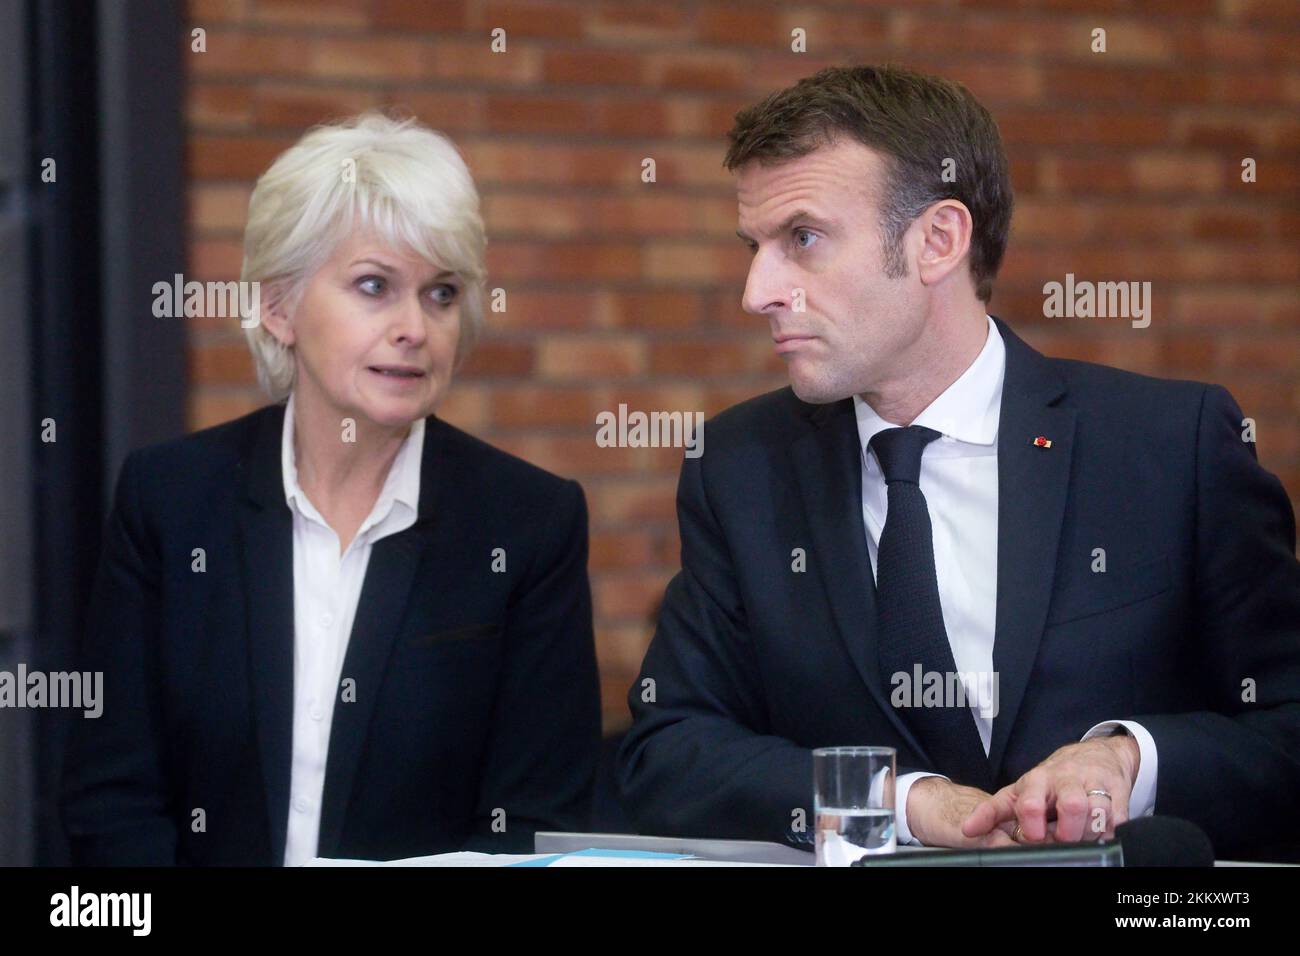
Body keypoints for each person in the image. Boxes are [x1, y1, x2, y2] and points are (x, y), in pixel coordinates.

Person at [617, 65, 1300, 860]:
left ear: (938, 241)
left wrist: (1130, 759)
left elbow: (1286, 727)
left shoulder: (1168, 444)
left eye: (801, 239)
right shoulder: (738, 469)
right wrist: (902, 802)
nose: (757, 291)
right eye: (755, 247)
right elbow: (667, 752)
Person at [62, 112, 601, 865]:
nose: (415, 326)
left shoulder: (528, 524)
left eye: (442, 294)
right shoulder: (171, 500)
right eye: (375, 286)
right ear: (278, 307)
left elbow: (538, 824)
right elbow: (113, 804)